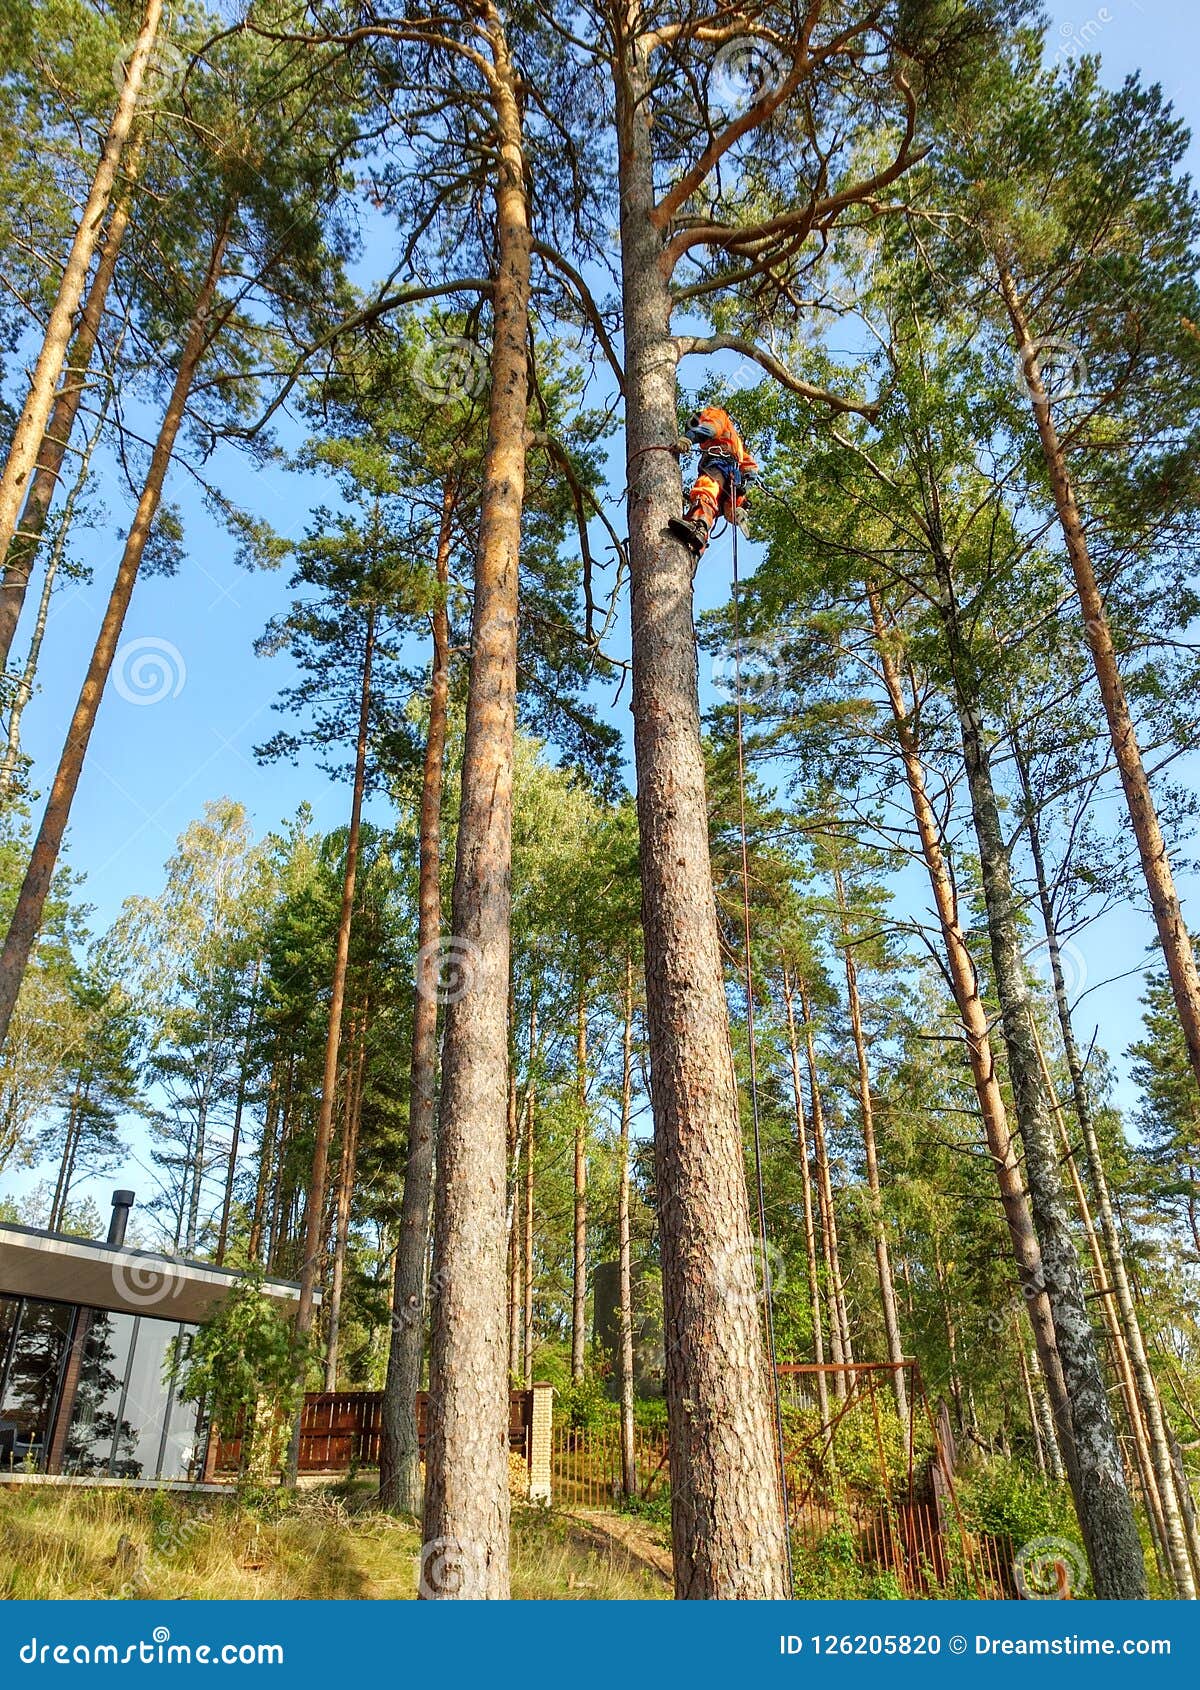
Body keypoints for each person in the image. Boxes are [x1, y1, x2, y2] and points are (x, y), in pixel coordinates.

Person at [667, 406, 758, 557]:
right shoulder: (736, 443)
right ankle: (698, 547)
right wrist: (744, 487)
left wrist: (689, 437)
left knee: (706, 487)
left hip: (719, 464)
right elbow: (751, 467)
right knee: (714, 505)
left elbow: (710, 428)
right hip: (732, 478)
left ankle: (698, 525)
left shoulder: (716, 414)